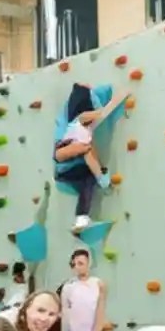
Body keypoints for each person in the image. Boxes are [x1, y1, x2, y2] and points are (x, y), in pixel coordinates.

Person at [54, 83, 129, 232]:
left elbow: (90, 154)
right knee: (88, 162)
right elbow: (98, 114)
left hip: (72, 166)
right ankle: (82, 215)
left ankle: (82, 216)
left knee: (88, 180)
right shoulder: (79, 121)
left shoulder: (85, 131)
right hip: (67, 158)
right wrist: (110, 105)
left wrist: (101, 174)